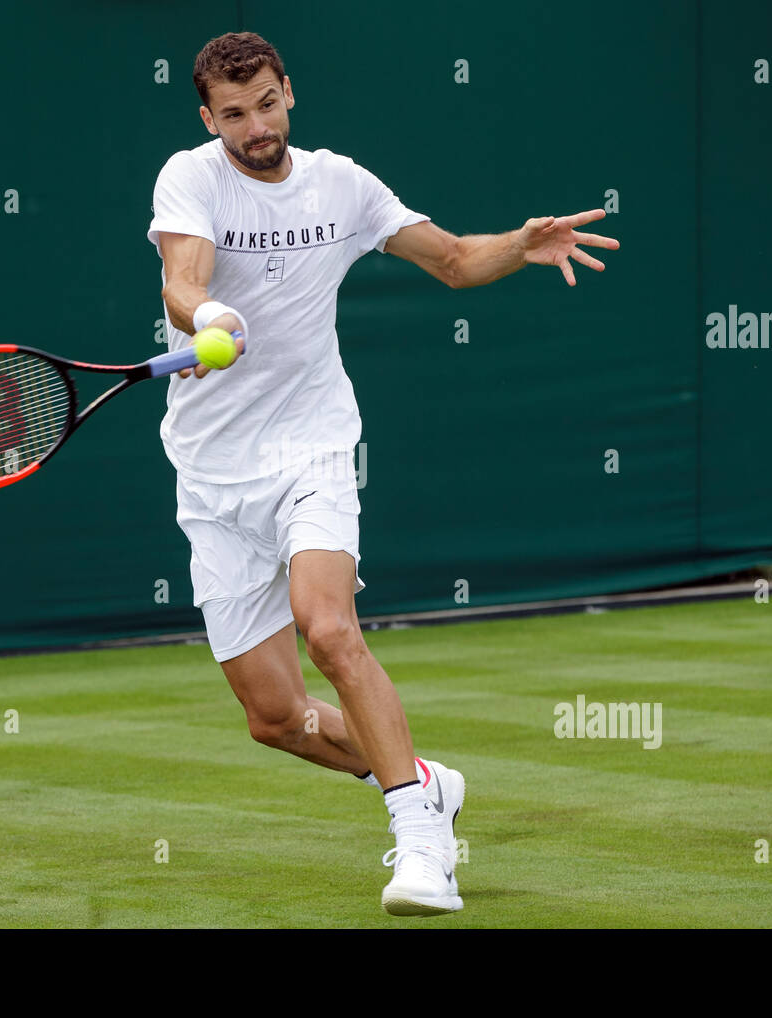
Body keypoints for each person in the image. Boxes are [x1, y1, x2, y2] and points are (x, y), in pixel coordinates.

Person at [146, 31, 618, 916]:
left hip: (313, 446)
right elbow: (184, 277)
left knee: (326, 627)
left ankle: (423, 845)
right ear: (210, 118)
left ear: (290, 90)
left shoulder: (344, 184)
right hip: (211, 476)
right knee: (274, 719)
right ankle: (423, 778)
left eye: (267, 104)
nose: (256, 127)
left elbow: (451, 260)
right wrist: (208, 312)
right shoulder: (190, 177)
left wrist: (520, 242)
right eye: (235, 114)